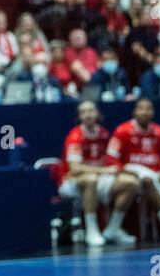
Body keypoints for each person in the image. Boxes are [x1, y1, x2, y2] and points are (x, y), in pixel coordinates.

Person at [106, 99, 160, 242]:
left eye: (148, 109)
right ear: (134, 112)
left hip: (159, 174)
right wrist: (126, 172)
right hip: (135, 177)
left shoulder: (159, 131)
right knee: (147, 181)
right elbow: (111, 158)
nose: (145, 112)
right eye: (141, 109)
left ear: (153, 112)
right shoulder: (122, 131)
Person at [57, 101, 138, 247]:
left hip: (99, 179)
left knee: (130, 183)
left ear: (98, 114)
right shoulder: (75, 136)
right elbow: (75, 168)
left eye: (91, 110)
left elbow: (109, 159)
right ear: (79, 117)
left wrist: (120, 169)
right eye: (83, 112)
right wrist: (104, 171)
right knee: (91, 179)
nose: (87, 115)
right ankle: (92, 230)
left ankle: (113, 228)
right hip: (72, 182)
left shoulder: (103, 133)